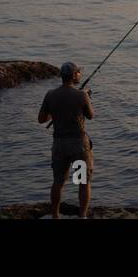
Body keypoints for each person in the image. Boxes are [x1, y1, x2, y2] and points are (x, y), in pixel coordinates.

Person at [37, 61, 94, 218]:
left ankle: (55, 216)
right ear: (74, 75)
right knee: (82, 182)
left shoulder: (50, 95)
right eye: (78, 73)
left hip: (59, 145)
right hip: (78, 146)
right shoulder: (81, 95)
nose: (80, 75)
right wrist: (87, 98)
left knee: (59, 182)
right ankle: (82, 216)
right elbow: (90, 115)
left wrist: (55, 112)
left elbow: (42, 119)